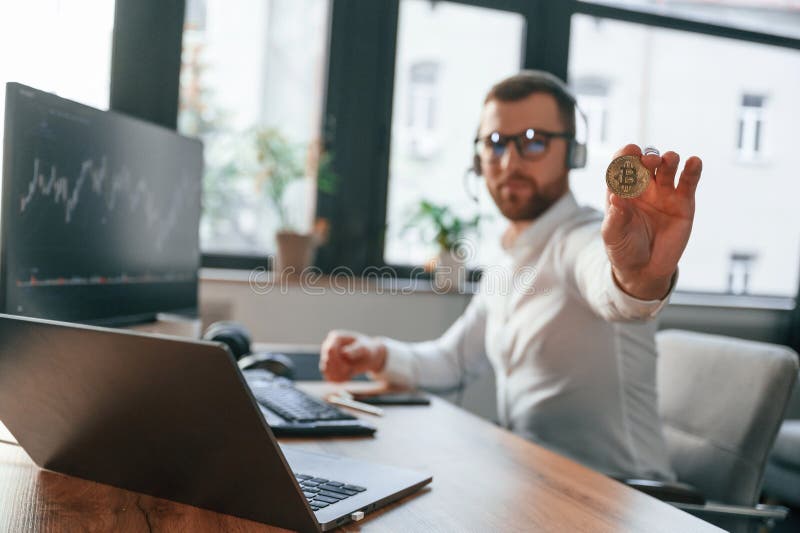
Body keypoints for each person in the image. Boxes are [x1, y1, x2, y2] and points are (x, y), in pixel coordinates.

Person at [320, 70, 703, 481]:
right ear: (477, 158)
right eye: (497, 143)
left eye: (535, 141)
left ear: (574, 153)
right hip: (534, 484)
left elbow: (615, 290)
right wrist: (376, 352)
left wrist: (637, 275)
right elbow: (453, 361)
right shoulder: (507, 264)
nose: (510, 162)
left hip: (623, 500)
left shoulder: (584, 237)